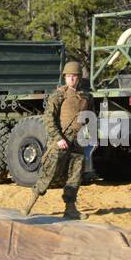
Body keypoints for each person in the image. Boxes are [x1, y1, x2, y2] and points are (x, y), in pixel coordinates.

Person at [22, 60, 91, 219]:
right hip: (61, 140)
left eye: (74, 76)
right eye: (69, 76)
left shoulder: (86, 97)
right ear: (65, 78)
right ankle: (30, 203)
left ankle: (70, 209)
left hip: (78, 142)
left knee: (75, 176)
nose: (72, 79)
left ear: (79, 78)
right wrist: (58, 138)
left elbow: (90, 117)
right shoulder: (59, 95)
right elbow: (49, 118)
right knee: (49, 173)